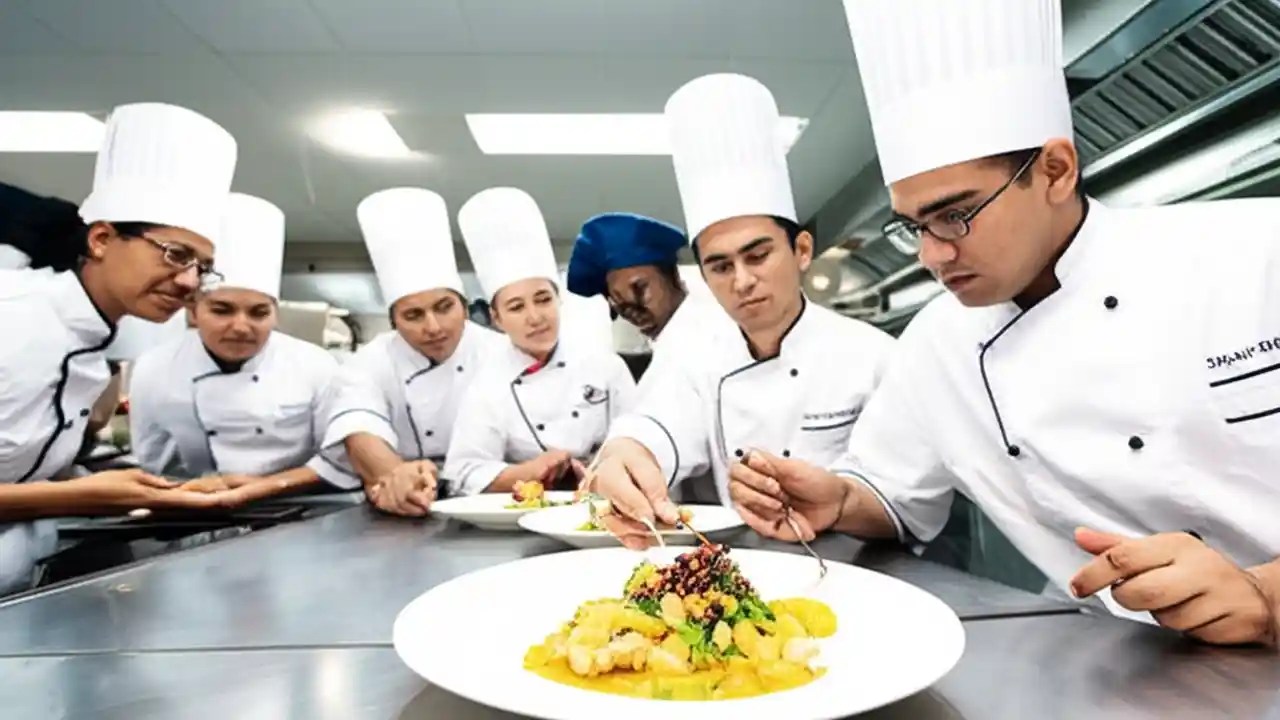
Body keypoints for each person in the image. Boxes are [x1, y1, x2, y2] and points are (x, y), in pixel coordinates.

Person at [725, 0, 1280, 647]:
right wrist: (840, 502)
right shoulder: (938, 343)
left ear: (1054, 170)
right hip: (1115, 657)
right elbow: (893, 489)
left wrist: (1264, 594)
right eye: (913, 227)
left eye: (955, 215)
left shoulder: (1258, 252)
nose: (932, 254)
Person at [584, 73, 895, 511]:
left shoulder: (874, 356)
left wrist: (845, 503)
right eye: (721, 265)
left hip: (858, 566)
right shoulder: (698, 362)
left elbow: (907, 496)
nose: (742, 280)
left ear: (801, 250)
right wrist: (629, 450)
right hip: (742, 565)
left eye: (758, 255)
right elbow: (657, 422)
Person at [0, 103, 245, 594]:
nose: (188, 281)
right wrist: (84, 494)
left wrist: (118, 485)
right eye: (176, 254)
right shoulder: (12, 315)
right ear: (102, 239)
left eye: (202, 267)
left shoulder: (93, 349)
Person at [127, 193, 353, 498]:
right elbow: (151, 462)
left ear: (276, 314)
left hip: (296, 510)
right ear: (193, 311)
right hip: (191, 514)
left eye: (259, 312)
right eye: (222, 310)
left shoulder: (315, 365)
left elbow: (339, 460)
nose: (241, 326)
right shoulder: (154, 368)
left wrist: (264, 487)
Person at [321, 188, 503, 516]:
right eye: (413, 315)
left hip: (495, 505)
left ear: (464, 306)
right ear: (393, 321)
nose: (432, 327)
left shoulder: (502, 354)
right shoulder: (369, 362)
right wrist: (395, 475)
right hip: (400, 505)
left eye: (444, 307)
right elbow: (357, 426)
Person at [445, 187, 637, 495]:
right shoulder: (487, 384)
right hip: (521, 515)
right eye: (516, 307)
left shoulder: (606, 367)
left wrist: (600, 470)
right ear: (497, 318)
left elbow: (640, 441)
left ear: (558, 300)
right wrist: (530, 472)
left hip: (607, 505)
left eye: (543, 299)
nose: (535, 317)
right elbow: (463, 472)